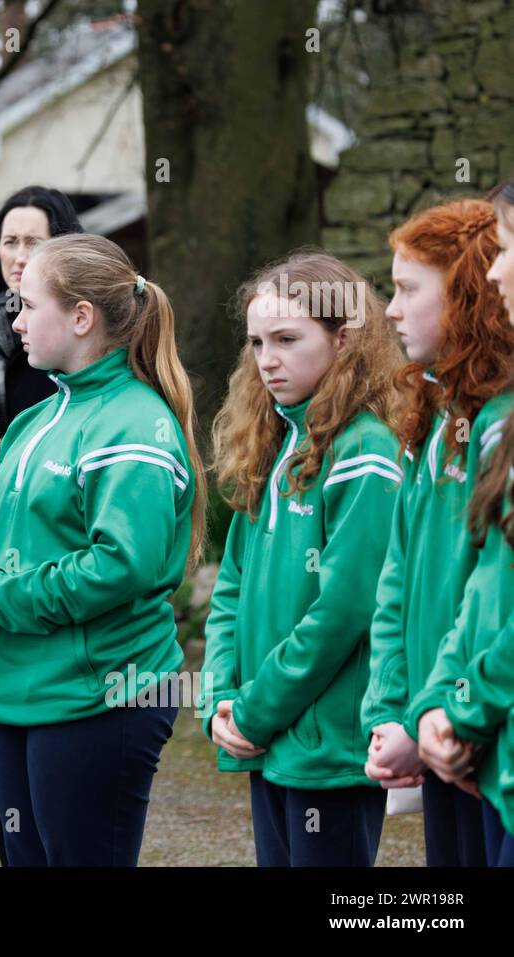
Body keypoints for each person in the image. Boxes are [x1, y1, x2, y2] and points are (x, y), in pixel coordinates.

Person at [0, 233, 204, 866]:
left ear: (82, 316)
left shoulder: (135, 423)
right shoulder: (34, 420)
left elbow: (120, 565)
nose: (16, 321)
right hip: (12, 693)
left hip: (97, 698)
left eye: (27, 305)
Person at [202, 251, 405, 867]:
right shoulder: (276, 439)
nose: (267, 360)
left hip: (325, 751)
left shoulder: (367, 451)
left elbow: (342, 613)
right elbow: (230, 585)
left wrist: (257, 707)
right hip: (266, 733)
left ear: (344, 340)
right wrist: (221, 695)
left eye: (288, 339)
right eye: (258, 342)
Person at [360, 199, 514, 866]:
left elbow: (490, 591)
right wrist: (394, 713)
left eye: (407, 289)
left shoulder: (496, 424)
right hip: (440, 729)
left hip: (480, 731)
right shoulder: (433, 419)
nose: (390, 310)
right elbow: (395, 581)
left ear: (468, 294)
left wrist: (449, 713)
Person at [0, 184, 82, 863]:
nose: (18, 253)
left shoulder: (73, 343)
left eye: (35, 239)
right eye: (9, 239)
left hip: (46, 554)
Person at [413, 179, 514, 867]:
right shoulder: (440, 421)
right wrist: (428, 706)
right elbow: (483, 580)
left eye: (511, 249)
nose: (499, 270)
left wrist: (464, 705)